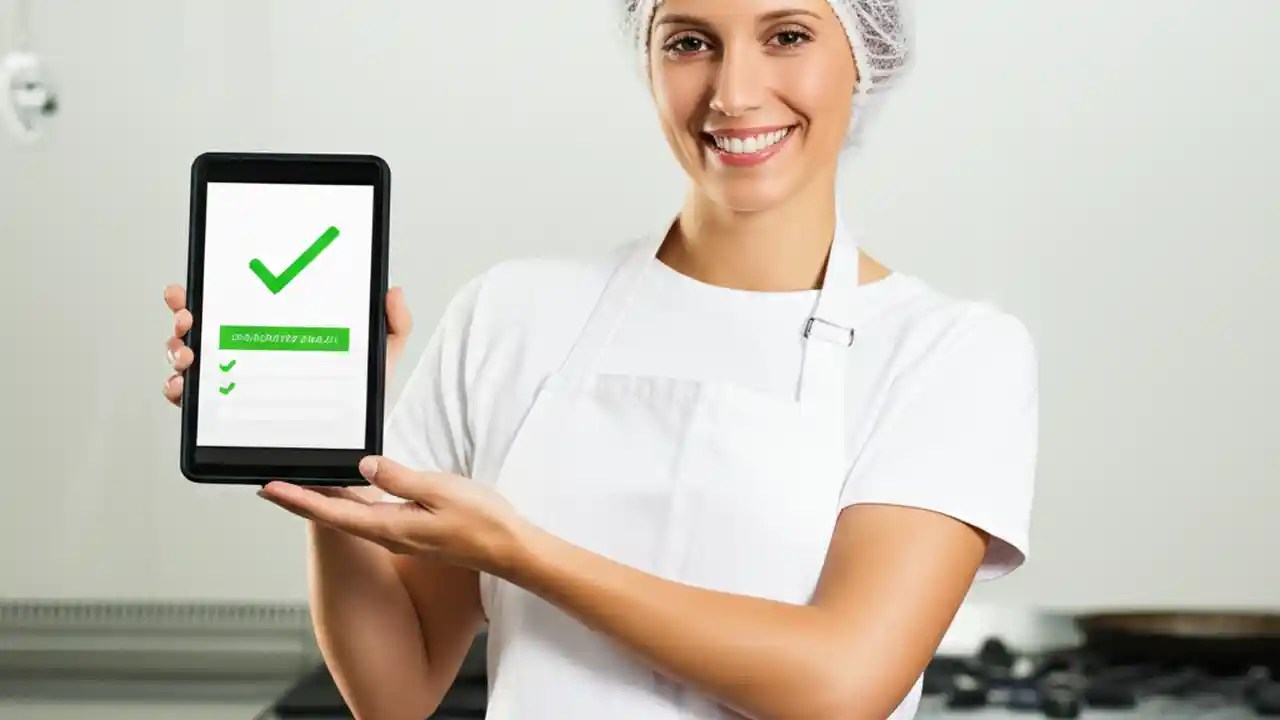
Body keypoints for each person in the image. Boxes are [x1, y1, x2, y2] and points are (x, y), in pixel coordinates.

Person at [162, 0, 1039, 717]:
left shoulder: (951, 353)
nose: (734, 93)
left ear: (865, 59)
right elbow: (395, 694)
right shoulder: (511, 314)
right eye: (689, 42)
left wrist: (523, 554)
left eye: (787, 36)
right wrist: (328, 465)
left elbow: (842, 685)